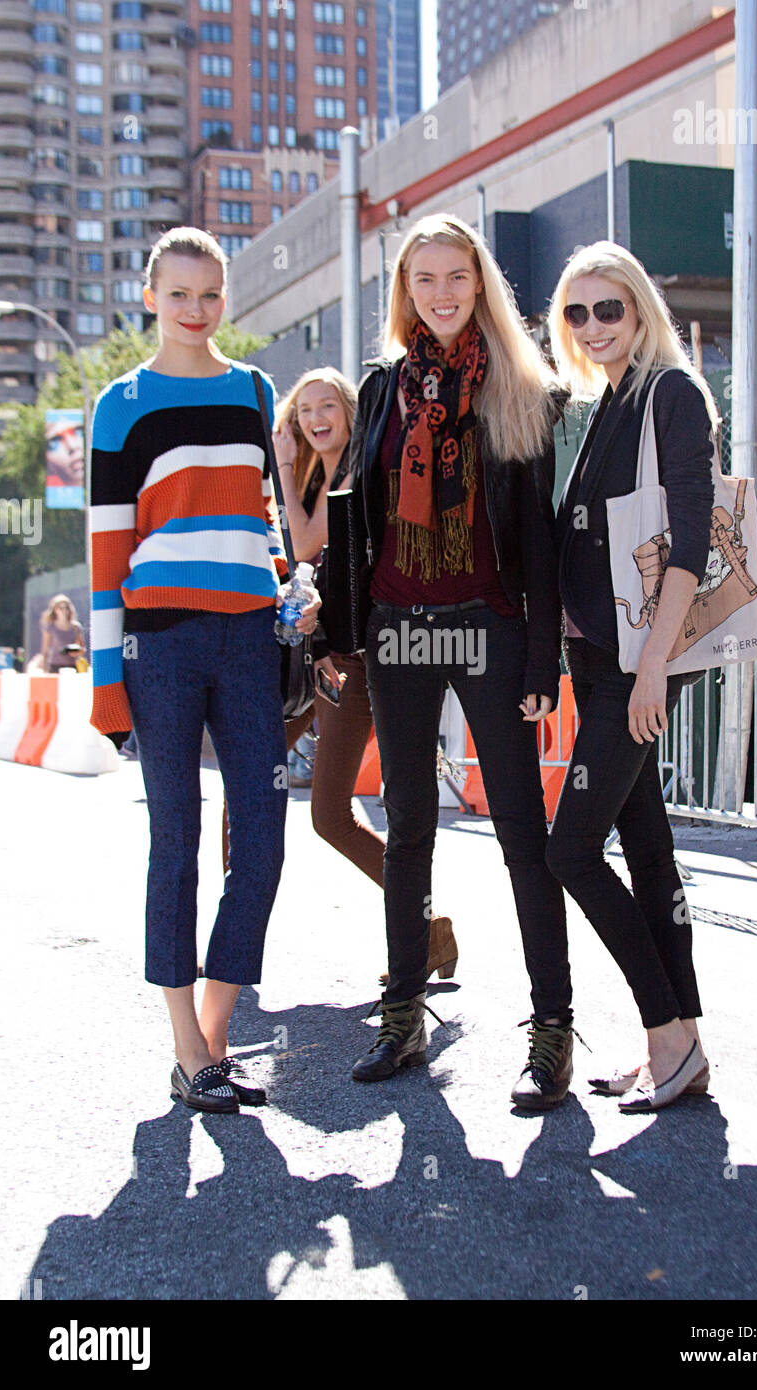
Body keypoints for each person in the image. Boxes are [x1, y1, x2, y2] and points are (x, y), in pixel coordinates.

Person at [340, 212, 576, 1107]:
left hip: (489, 624)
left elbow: (539, 540)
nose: (441, 295)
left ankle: (550, 1028)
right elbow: (360, 524)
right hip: (400, 630)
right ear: (405, 293)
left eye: (457, 279)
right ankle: (402, 1016)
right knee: (408, 830)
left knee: (523, 833)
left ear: (481, 287)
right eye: (424, 281)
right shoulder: (381, 391)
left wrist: (541, 661)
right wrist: (351, 632)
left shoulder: (518, 388)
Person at [88, 226, 320, 1116]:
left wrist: (289, 586)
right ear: (152, 297)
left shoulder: (256, 392)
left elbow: (265, 521)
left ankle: (213, 1036)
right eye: (179, 293)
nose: (195, 310)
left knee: (263, 838)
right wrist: (108, 685)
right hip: (162, 643)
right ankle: (189, 1045)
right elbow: (108, 552)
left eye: (210, 294)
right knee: (175, 841)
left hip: (251, 639)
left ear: (227, 299)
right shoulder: (121, 404)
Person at [546, 240, 716, 1114]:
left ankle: (667, 1037)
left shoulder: (669, 394)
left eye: (608, 308)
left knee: (570, 849)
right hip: (605, 663)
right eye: (576, 313)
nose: (592, 326)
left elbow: (689, 540)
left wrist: (653, 668)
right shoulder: (608, 401)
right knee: (647, 850)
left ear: (641, 309)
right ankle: (682, 1043)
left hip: (633, 670)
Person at [220, 367, 459, 982]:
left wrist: (280, 460)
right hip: (319, 658)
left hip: (358, 661)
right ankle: (232, 940)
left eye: (327, 406)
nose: (315, 417)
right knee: (248, 778)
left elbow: (302, 544)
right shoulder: (316, 476)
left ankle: (425, 926)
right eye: (304, 411)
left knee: (329, 816)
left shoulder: (352, 474)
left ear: (351, 415)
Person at [40, 595, 86, 673]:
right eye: (60, 608)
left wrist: (75, 652)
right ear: (55, 610)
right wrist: (44, 669)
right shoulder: (50, 628)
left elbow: (82, 648)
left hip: (72, 666)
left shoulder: (76, 627)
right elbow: (45, 651)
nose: (64, 611)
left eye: (66, 608)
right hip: (55, 666)